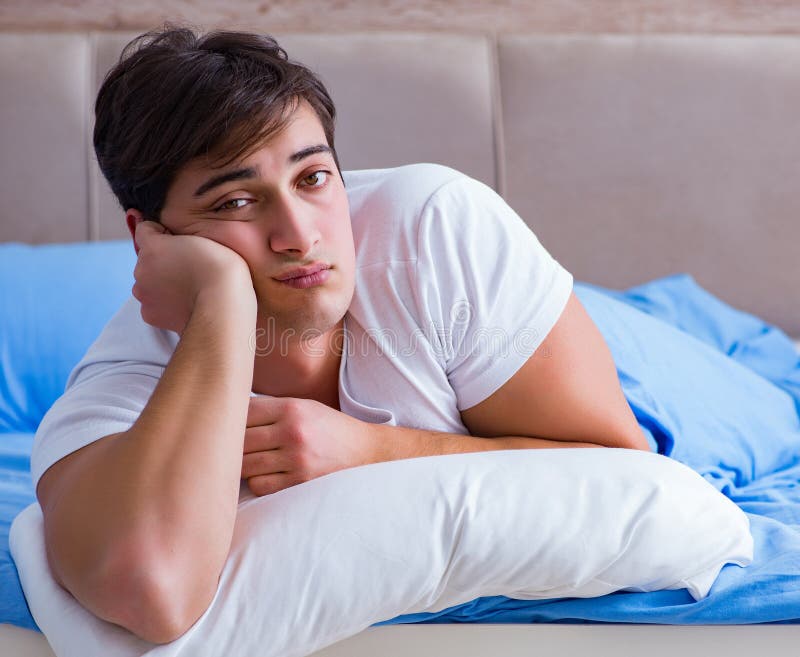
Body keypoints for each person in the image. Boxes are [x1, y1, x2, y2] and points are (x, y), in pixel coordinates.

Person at [32, 26, 650, 645]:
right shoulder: (123, 388)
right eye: (236, 202)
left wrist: (373, 451)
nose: (299, 235)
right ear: (149, 238)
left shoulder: (436, 232)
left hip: (609, 350)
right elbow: (151, 593)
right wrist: (220, 302)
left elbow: (630, 470)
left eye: (313, 178)